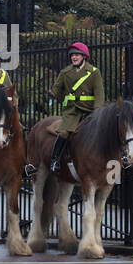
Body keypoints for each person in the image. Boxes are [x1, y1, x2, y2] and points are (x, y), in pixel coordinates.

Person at [48, 41, 104, 172]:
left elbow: (99, 93)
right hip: (72, 110)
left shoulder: (94, 72)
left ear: (84, 56)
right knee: (64, 132)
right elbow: (57, 88)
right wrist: (52, 93)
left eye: (77, 55)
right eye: (72, 55)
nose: (74, 57)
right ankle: (55, 160)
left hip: (90, 109)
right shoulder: (65, 72)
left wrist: (97, 110)